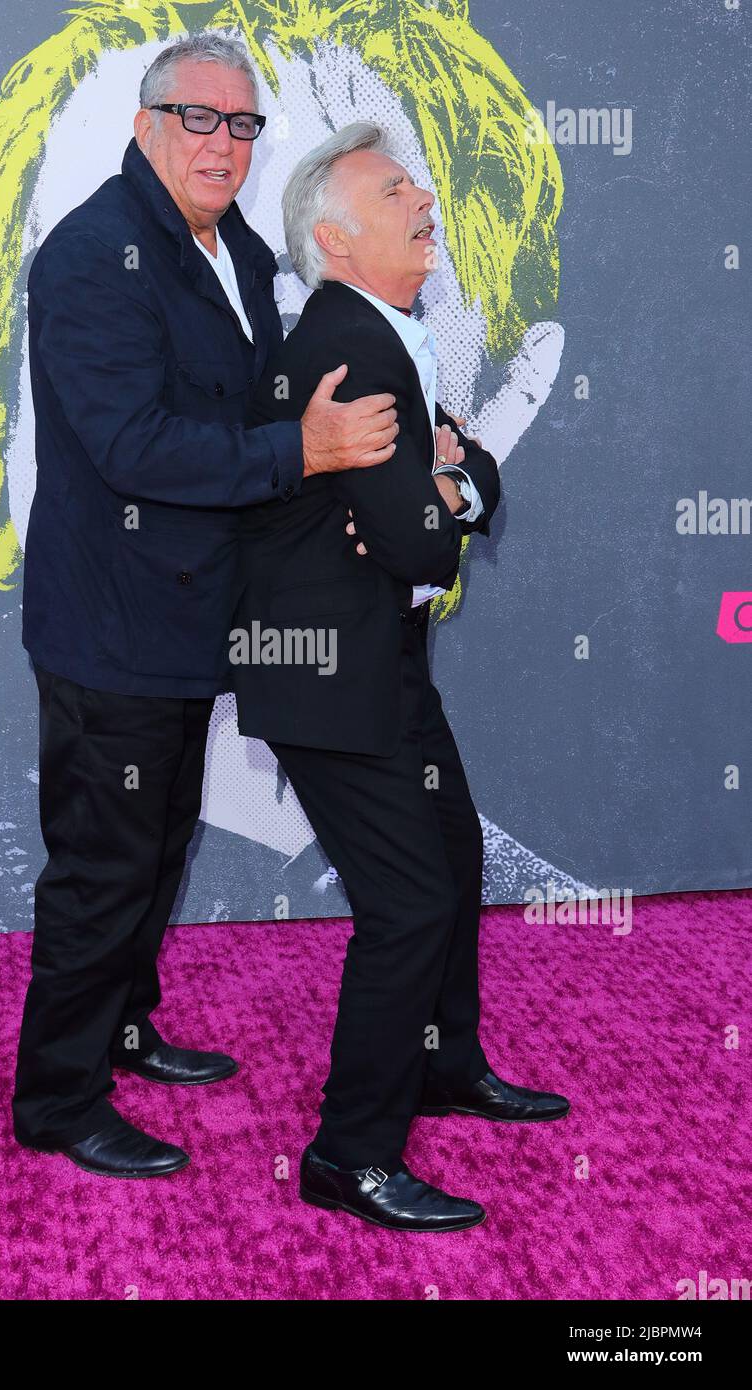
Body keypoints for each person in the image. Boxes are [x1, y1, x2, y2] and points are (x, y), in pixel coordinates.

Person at [13, 36, 399, 1179]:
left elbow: (272, 386)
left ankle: (124, 1028)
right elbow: (132, 445)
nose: (220, 143)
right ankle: (57, 1097)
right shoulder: (91, 254)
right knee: (103, 867)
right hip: (112, 624)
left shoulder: (229, 241)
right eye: (196, 118)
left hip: (191, 618)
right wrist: (303, 452)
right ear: (145, 125)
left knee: (157, 842)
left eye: (239, 126)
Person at [231, 121, 569, 1232]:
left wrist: (449, 487)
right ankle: (347, 1153)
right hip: (326, 674)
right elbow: (427, 539)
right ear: (333, 235)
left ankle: (442, 1062)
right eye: (392, 188)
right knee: (409, 902)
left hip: (378, 662)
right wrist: (452, 491)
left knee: (453, 855)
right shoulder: (348, 350)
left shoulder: (385, 335)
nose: (424, 196)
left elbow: (441, 505)